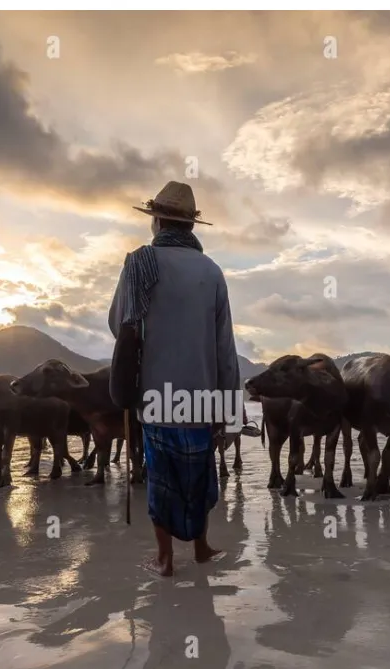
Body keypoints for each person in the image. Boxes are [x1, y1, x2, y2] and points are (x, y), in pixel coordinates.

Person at [108, 181, 240, 577]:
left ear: (158, 221)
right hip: (201, 399)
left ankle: (165, 559)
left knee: (162, 477)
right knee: (199, 476)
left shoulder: (139, 263)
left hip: (155, 397)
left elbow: (118, 324)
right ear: (192, 226)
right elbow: (225, 347)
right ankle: (201, 548)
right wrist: (230, 409)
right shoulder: (211, 272)